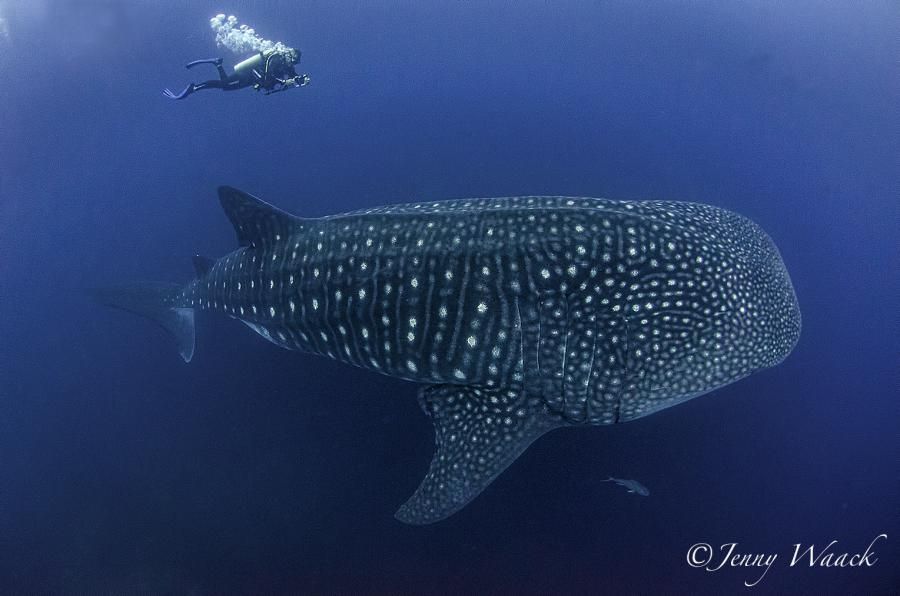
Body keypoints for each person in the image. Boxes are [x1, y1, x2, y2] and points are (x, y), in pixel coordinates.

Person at [163, 47, 310, 100]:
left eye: (294, 63)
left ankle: (217, 64)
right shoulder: (276, 58)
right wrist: (281, 81)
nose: (292, 64)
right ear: (290, 56)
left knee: (225, 86)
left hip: (252, 81)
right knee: (224, 84)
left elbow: (293, 76)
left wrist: (301, 80)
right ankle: (194, 88)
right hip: (249, 74)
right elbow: (268, 74)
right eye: (293, 61)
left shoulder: (287, 66)